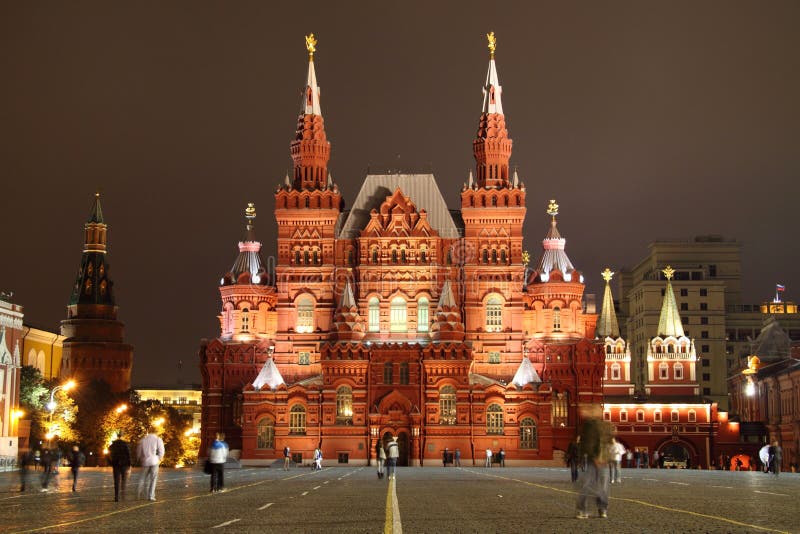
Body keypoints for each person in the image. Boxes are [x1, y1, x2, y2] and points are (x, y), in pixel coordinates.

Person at [575, 404, 613, 520]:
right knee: (602, 485)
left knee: (586, 485)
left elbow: (588, 443)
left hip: (595, 459)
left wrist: (591, 457)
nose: (582, 412)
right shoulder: (605, 425)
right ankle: (602, 509)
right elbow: (609, 441)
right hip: (603, 459)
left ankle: (583, 510)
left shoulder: (589, 425)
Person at [136, 427, 165, 501]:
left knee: (142, 478)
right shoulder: (158, 439)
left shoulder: (143, 440)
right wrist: (159, 458)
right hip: (154, 461)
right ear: (156, 432)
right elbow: (161, 450)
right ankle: (151, 496)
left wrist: (139, 458)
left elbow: (139, 451)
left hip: (145, 461)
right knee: (153, 479)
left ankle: (138, 493)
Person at [109, 432, 132, 502]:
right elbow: (128, 455)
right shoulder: (125, 444)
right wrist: (129, 464)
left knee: (116, 481)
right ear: (122, 436)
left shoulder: (113, 445)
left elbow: (108, 454)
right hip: (124, 464)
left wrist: (111, 462)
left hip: (115, 464)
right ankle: (123, 495)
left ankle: (116, 497)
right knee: (123, 480)